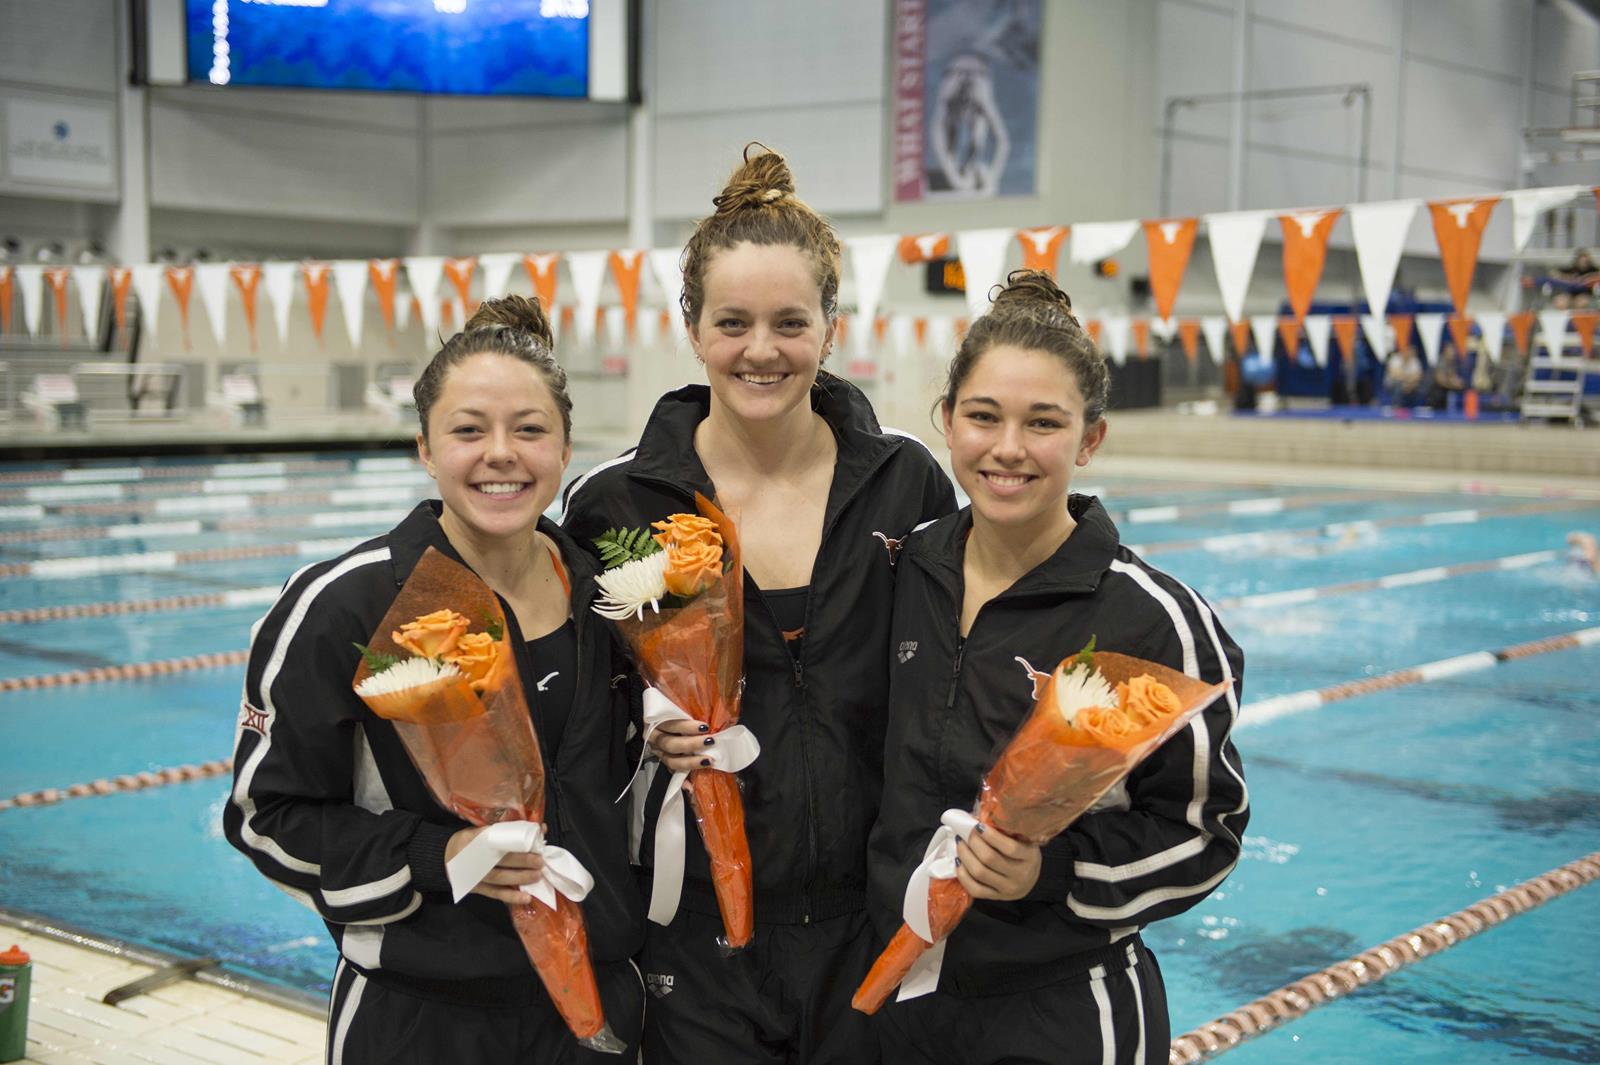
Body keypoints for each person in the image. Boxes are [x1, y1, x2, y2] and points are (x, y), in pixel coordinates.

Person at [562, 144, 956, 1065]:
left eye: (790, 321)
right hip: (694, 937)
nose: (762, 350)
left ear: (831, 325)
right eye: (733, 322)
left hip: (873, 917)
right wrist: (641, 732)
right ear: (692, 329)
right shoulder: (615, 504)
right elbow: (572, 721)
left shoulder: (906, 483)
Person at [224, 296, 644, 1063]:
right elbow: (265, 817)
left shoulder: (607, 596)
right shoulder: (347, 605)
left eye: (529, 428)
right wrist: (434, 855)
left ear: (565, 444)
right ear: (424, 446)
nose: (501, 454)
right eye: (468, 429)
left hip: (598, 1010)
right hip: (424, 1019)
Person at [868, 271, 1248, 1065]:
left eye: (1044, 422)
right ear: (946, 421)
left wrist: (1054, 871)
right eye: (983, 416)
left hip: (1062, 1011)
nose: (1008, 448)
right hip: (897, 1002)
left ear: (1090, 439)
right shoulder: (907, 570)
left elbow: (1205, 834)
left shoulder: (1152, 618)